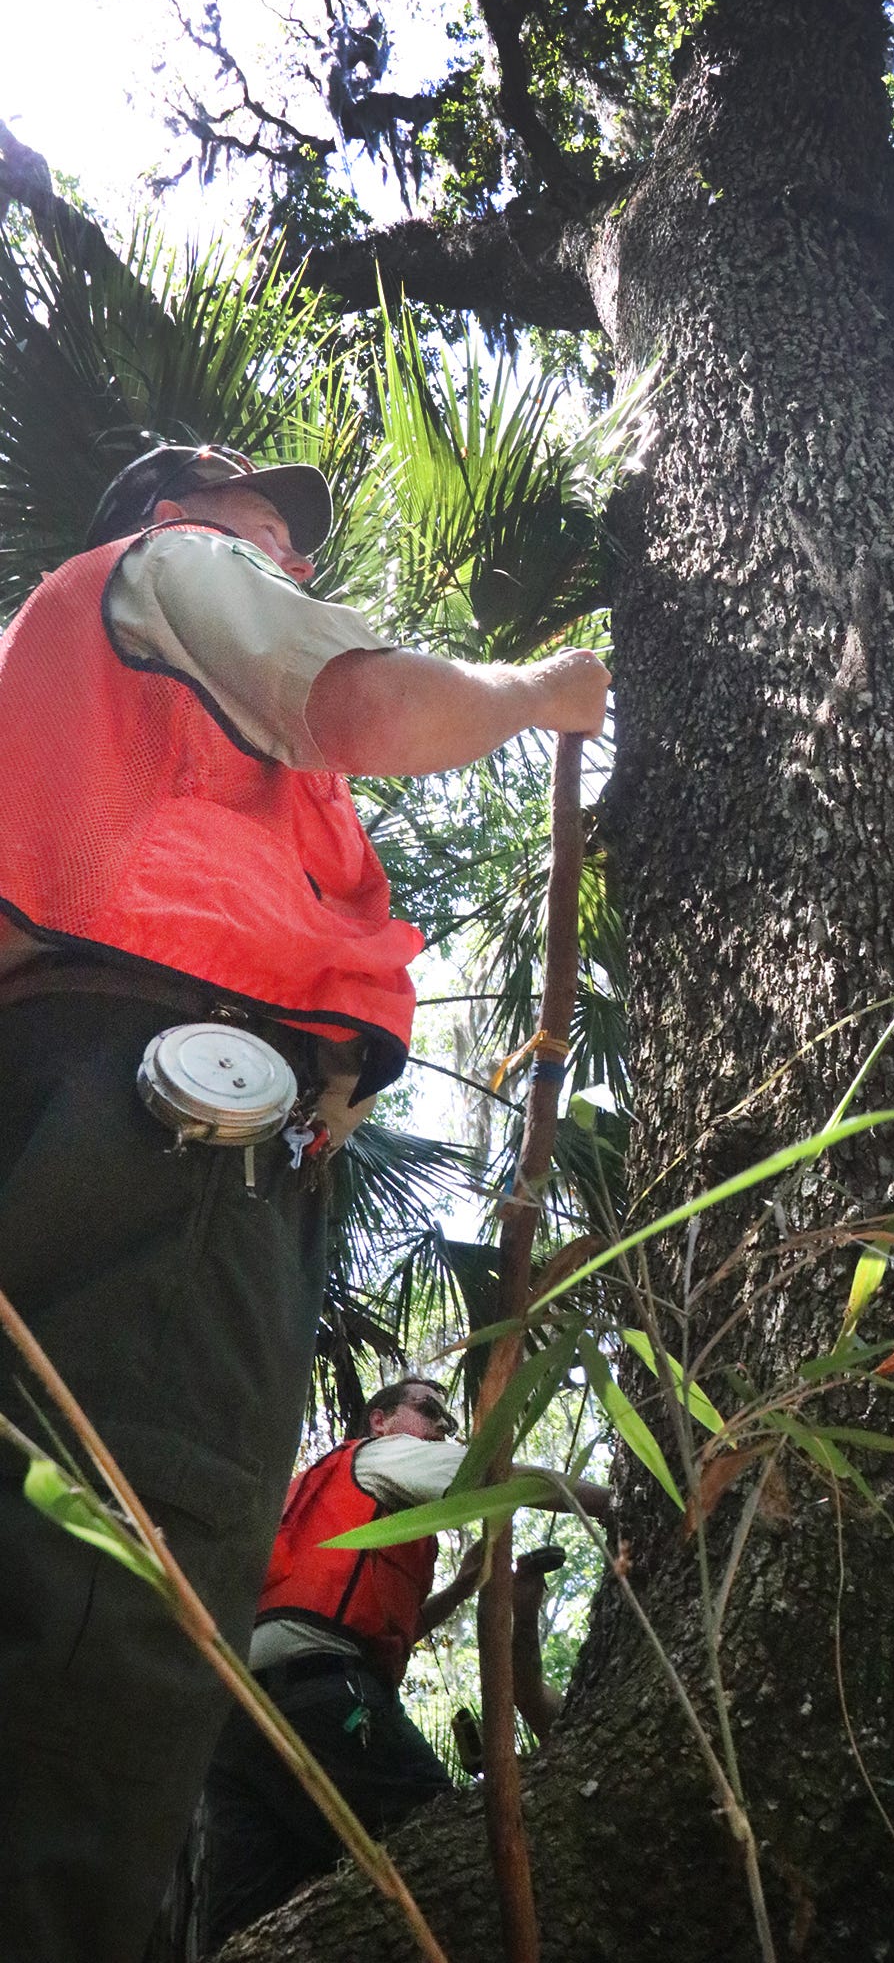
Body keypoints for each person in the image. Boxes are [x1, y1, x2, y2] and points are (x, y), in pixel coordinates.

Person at [0, 444, 609, 1963]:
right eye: (244, 501)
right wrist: (533, 695)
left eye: (283, 522)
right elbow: (360, 702)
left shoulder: (70, 682)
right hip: (155, 1125)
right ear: (164, 512)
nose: (282, 534)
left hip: (71, 1090)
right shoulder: (177, 579)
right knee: (114, 1608)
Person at [202, 1376, 588, 1950]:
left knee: (254, 1924)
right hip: (325, 1698)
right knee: (456, 1849)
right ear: (380, 1421)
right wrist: (614, 1504)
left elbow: (345, 1623)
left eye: (448, 1422)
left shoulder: (313, 1496)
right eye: (428, 1411)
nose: (440, 1428)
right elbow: (492, 1476)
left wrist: (459, 1588)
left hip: (237, 1726)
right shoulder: (381, 1457)